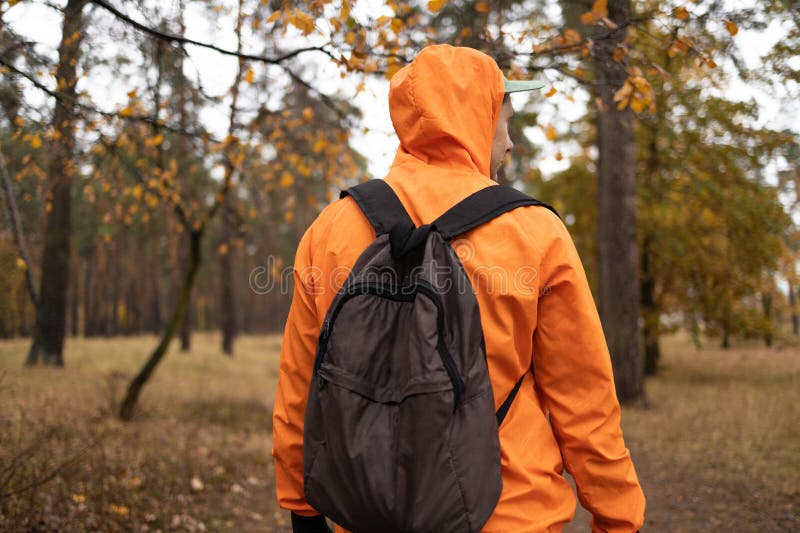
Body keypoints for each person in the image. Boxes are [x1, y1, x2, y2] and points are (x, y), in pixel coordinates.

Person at [272, 44, 645, 533]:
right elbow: (584, 400)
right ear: (476, 119)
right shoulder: (533, 231)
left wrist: (303, 509)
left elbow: (303, 386)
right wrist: (617, 518)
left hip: (367, 509)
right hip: (510, 514)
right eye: (503, 121)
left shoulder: (331, 228)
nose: (509, 143)